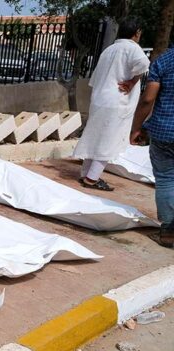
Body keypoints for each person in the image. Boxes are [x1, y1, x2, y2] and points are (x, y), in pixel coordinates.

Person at [72, 18, 149, 191]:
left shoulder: (109, 49)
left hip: (100, 99)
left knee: (95, 137)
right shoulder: (132, 48)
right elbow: (144, 64)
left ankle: (86, 174)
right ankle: (92, 178)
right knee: (108, 140)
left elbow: (96, 77)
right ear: (136, 33)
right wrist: (132, 81)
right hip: (117, 101)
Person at [131, 48, 174, 248]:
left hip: (164, 132)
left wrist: (136, 127)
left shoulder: (164, 60)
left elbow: (148, 99)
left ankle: (168, 233)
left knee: (165, 179)